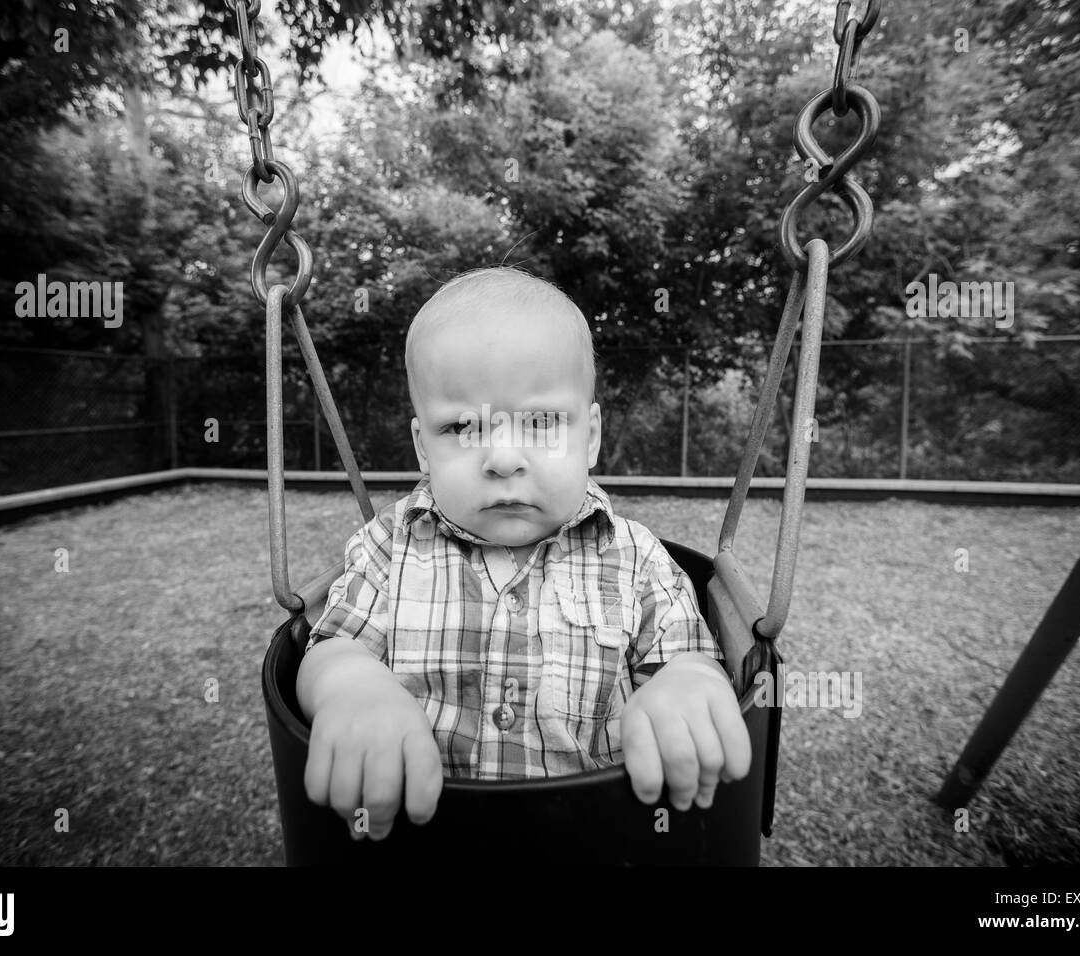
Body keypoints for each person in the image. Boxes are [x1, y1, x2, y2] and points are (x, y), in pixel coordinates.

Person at [295, 266, 750, 841]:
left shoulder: (636, 557)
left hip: (596, 841)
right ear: (422, 448)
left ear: (590, 434)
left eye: (540, 421)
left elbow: (687, 657)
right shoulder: (391, 547)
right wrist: (351, 689)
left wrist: (686, 686)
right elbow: (332, 648)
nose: (503, 458)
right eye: (462, 426)